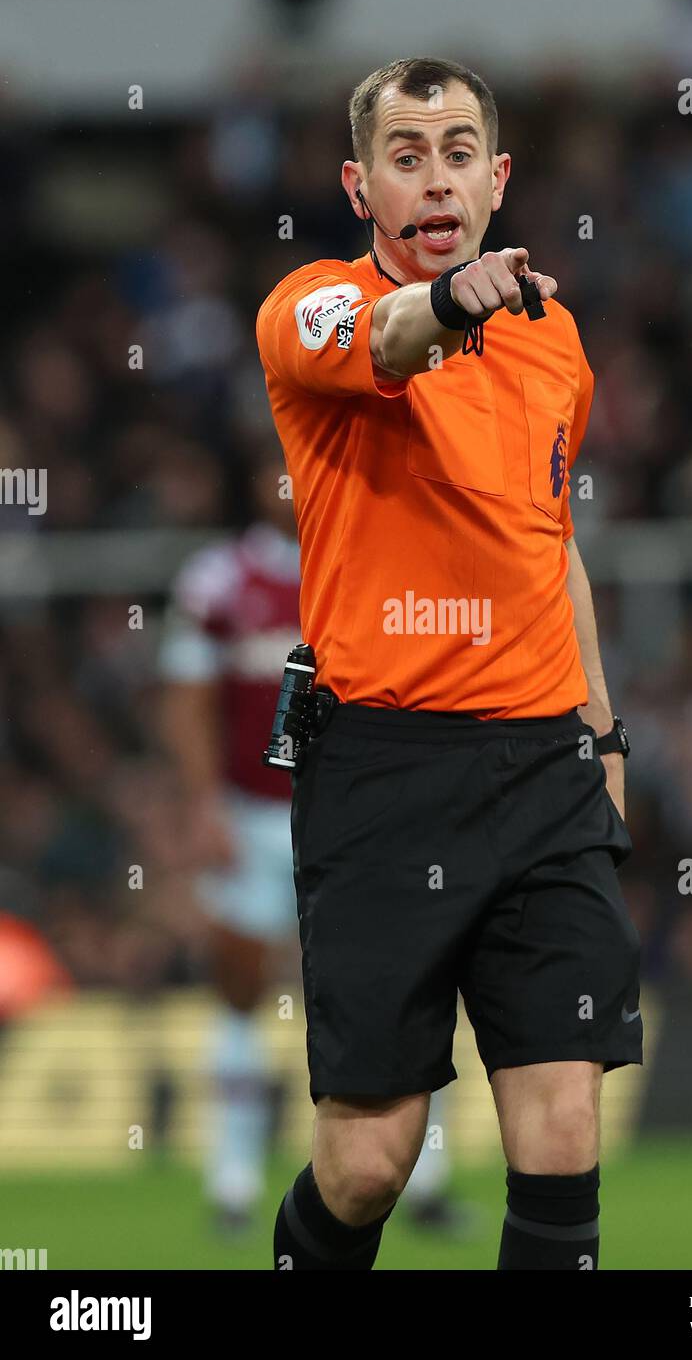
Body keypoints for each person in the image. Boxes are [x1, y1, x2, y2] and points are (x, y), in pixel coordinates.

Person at [257, 56, 642, 1271]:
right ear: (359, 185)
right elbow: (388, 333)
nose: (436, 176)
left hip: (542, 765)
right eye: (407, 155)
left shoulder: (556, 341)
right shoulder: (308, 309)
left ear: (498, 177)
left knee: (562, 1124)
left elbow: (552, 540)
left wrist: (603, 728)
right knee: (368, 1164)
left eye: (459, 150)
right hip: (381, 766)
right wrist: (457, 303)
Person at [159, 454, 301, 1232]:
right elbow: (187, 700)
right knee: (240, 987)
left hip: (344, 819)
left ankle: (422, 1179)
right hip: (248, 815)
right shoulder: (217, 578)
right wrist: (201, 803)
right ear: (254, 482)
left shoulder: (363, 557)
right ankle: (235, 1178)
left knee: (383, 987)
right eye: (274, 470)